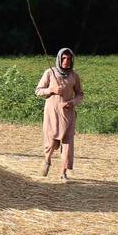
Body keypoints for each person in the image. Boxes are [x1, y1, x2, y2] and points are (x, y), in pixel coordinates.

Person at [35, 47, 83, 180]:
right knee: (51, 142)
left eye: (68, 58)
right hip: (52, 114)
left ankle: (63, 172)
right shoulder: (50, 73)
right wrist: (52, 89)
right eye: (63, 58)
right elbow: (38, 91)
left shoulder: (74, 76)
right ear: (59, 59)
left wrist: (72, 102)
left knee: (67, 143)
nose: (66, 61)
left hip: (68, 115)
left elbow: (80, 94)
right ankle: (47, 160)